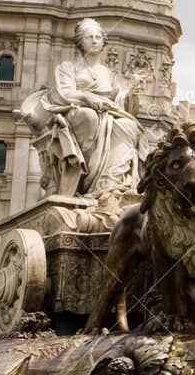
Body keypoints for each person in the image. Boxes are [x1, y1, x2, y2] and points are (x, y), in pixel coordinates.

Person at [18, 18, 144, 228]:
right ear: (80, 42)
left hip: (107, 113)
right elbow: (63, 93)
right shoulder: (67, 67)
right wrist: (86, 98)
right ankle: (87, 179)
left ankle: (109, 184)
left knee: (129, 126)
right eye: (90, 37)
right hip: (76, 112)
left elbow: (120, 100)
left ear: (103, 42)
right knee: (90, 117)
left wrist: (134, 93)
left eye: (98, 37)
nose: (95, 41)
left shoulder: (108, 73)